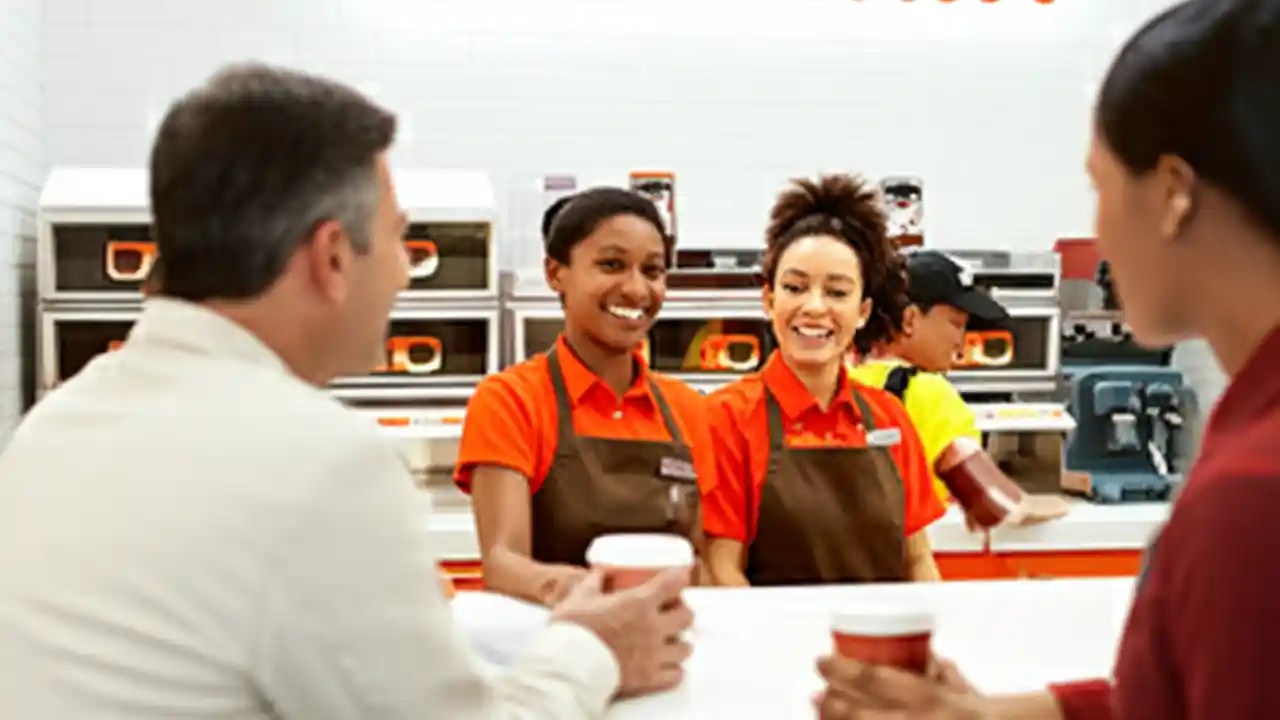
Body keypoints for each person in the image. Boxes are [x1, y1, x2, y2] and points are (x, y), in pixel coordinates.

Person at [0, 64, 693, 719]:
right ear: (333, 257)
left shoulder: (50, 429)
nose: (401, 274)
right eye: (398, 240)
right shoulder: (326, 466)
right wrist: (593, 647)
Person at [816, 0, 1280, 717]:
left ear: (1173, 195)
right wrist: (987, 713)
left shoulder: (1252, 495)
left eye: (1098, 186)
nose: (1094, 230)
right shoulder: (1249, 433)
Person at [454, 187, 715, 606]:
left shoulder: (689, 409)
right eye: (611, 265)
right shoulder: (511, 401)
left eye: (652, 271)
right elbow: (503, 562)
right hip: (557, 644)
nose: (635, 289)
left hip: (669, 641)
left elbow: (707, 559)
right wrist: (602, 595)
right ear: (556, 273)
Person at [702, 173, 946, 586]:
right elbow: (723, 570)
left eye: (837, 293)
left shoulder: (888, 418)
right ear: (769, 300)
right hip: (771, 643)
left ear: (863, 311)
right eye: (795, 287)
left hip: (882, 643)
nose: (814, 307)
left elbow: (919, 561)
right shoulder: (725, 419)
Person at [849, 249, 1070, 528]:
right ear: (909, 319)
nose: (960, 341)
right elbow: (991, 502)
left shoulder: (841, 378)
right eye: (955, 323)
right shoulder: (927, 391)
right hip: (916, 551)